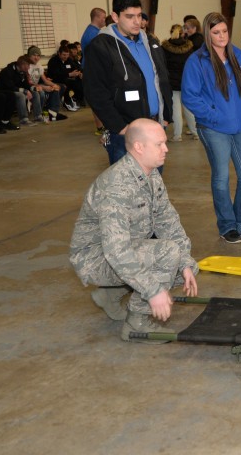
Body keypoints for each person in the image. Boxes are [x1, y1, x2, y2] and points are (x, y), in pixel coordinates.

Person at [69, 118, 199, 343]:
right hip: (96, 257)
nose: (166, 149)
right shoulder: (117, 186)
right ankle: (136, 323)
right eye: (159, 144)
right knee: (167, 254)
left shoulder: (150, 174)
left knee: (185, 266)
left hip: (122, 251)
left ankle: (110, 294)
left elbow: (168, 221)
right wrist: (153, 291)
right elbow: (115, 250)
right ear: (139, 147)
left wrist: (186, 263)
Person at [182, 12, 241, 244]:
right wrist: (213, 115)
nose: (221, 36)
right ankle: (227, 226)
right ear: (208, 34)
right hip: (214, 128)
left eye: (225, 31)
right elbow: (190, 96)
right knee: (222, 177)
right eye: (216, 32)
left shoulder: (237, 55)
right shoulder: (197, 61)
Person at [83, 0, 173, 166]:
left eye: (139, 15)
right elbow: (95, 91)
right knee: (127, 190)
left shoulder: (151, 43)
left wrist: (166, 114)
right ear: (115, 17)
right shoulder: (101, 46)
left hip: (155, 126)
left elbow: (162, 78)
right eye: (130, 16)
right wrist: (120, 127)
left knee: (153, 186)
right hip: (125, 133)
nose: (137, 21)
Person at [161, 24, 197, 142]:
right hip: (187, 82)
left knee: (176, 110)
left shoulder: (165, 48)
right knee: (189, 108)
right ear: (183, 33)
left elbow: (162, 65)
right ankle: (195, 132)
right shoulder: (189, 47)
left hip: (172, 83)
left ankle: (177, 135)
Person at [0, 56, 43, 126]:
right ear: (22, 65)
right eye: (28, 65)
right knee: (21, 95)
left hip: (15, 90)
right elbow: (10, 87)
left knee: (35, 93)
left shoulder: (22, 72)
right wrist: (25, 91)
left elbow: (26, 85)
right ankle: (23, 119)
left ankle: (38, 116)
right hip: (5, 91)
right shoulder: (7, 71)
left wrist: (34, 88)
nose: (29, 67)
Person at [26, 46, 64, 122]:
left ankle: (53, 111)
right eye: (34, 55)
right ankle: (39, 113)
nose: (36, 58)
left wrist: (54, 85)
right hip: (30, 87)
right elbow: (29, 82)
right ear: (29, 56)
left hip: (38, 86)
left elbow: (45, 80)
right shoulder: (27, 66)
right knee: (42, 92)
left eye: (38, 55)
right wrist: (44, 87)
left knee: (55, 89)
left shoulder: (39, 66)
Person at [47, 45, 84, 111]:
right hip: (55, 80)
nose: (66, 57)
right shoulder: (53, 61)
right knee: (67, 84)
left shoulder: (68, 59)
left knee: (79, 82)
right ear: (59, 53)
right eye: (64, 55)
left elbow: (76, 67)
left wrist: (80, 73)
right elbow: (56, 74)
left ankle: (77, 100)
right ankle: (67, 102)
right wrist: (70, 74)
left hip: (65, 79)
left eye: (67, 55)